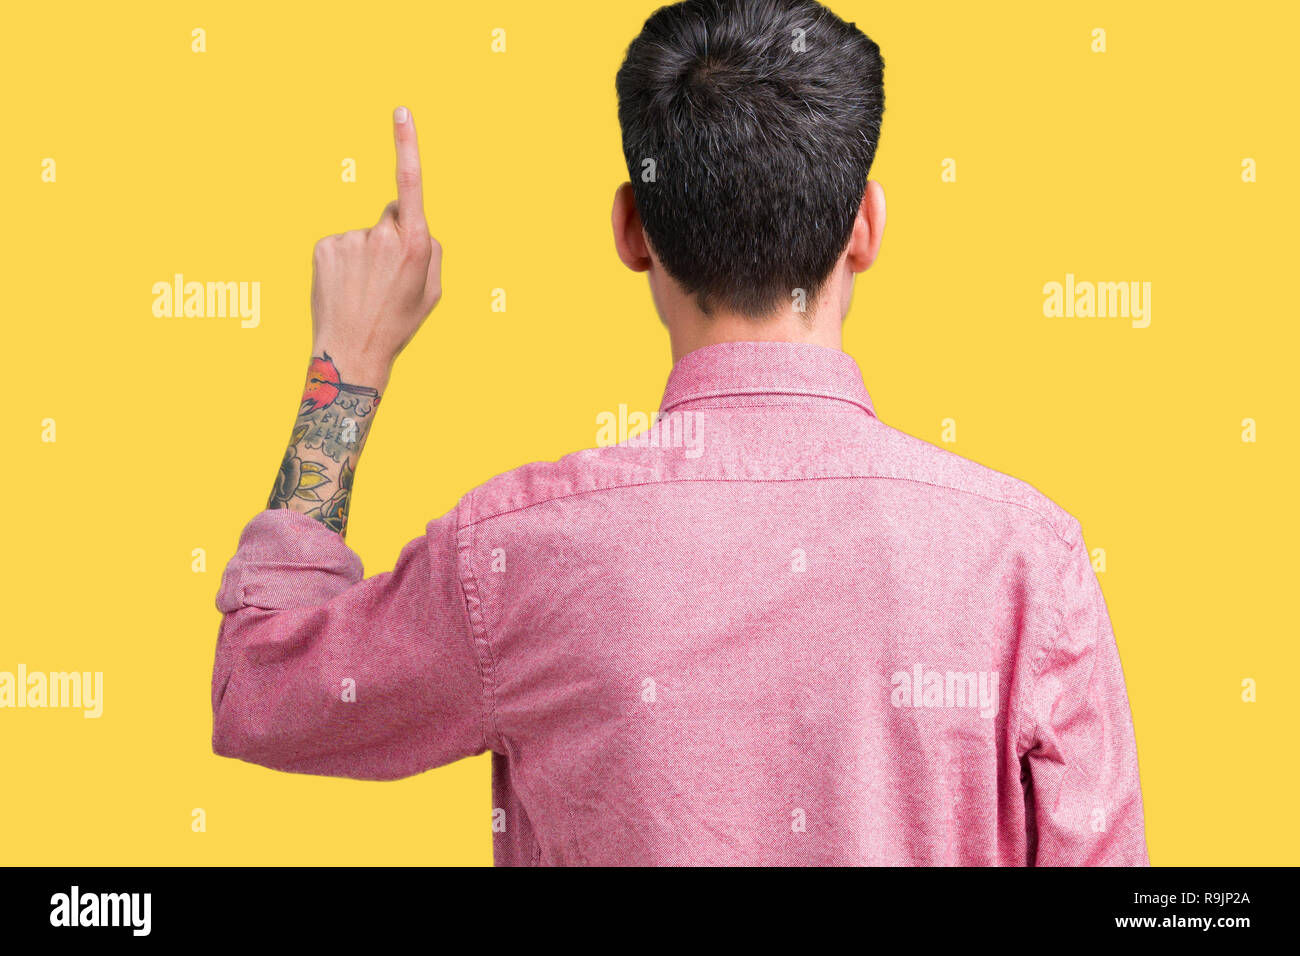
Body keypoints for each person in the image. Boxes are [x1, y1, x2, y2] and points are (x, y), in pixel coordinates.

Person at [211, 0, 1148, 866]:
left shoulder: (516, 554)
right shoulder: (1029, 561)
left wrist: (349, 360)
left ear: (630, 227)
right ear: (866, 226)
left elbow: (263, 690)